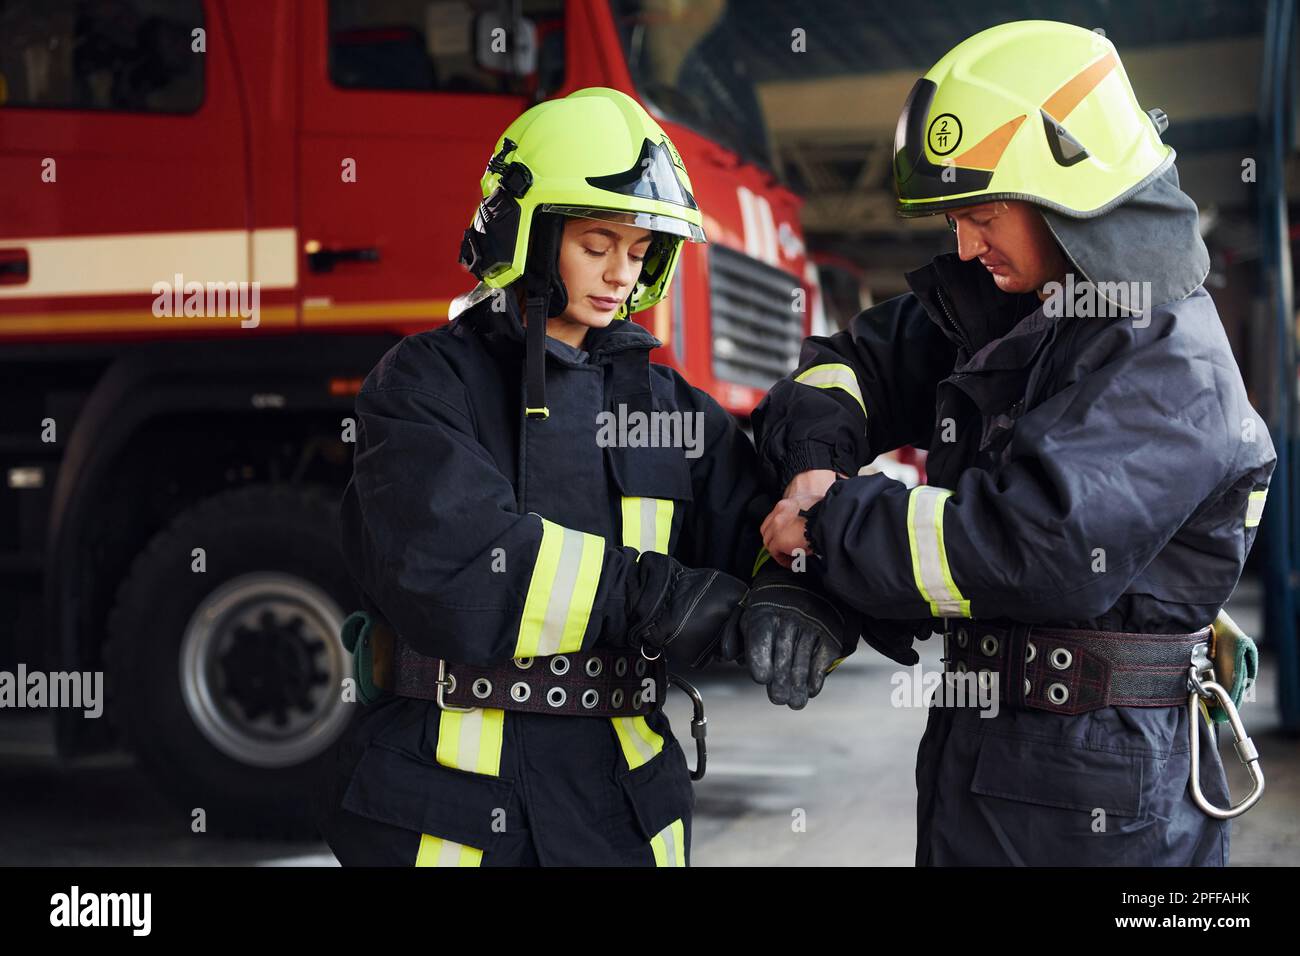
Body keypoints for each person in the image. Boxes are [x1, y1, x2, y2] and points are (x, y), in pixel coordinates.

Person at [747, 21, 1275, 865]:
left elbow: (1033, 546)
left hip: (1097, 785)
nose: (963, 245)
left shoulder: (1171, 360)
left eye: (983, 214)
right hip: (982, 752)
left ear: (1076, 193)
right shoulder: (1015, 309)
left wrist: (826, 529)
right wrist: (815, 472)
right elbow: (844, 370)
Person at [316, 87, 855, 867]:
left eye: (637, 252)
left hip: (621, 814)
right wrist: (664, 600)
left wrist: (795, 598)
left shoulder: (674, 408)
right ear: (529, 237)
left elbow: (768, 533)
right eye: (597, 244)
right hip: (455, 814)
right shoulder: (423, 385)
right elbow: (461, 576)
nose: (618, 275)